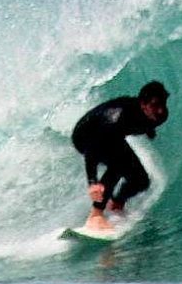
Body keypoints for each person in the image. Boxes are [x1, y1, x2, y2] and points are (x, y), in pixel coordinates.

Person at [71, 80, 169, 231]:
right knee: (117, 167)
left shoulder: (158, 116)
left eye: (163, 104)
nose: (161, 110)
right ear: (143, 104)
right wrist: (92, 182)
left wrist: (149, 129)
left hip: (112, 136)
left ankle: (117, 204)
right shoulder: (116, 119)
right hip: (86, 136)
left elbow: (148, 121)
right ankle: (96, 215)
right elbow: (92, 151)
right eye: (155, 105)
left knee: (141, 181)